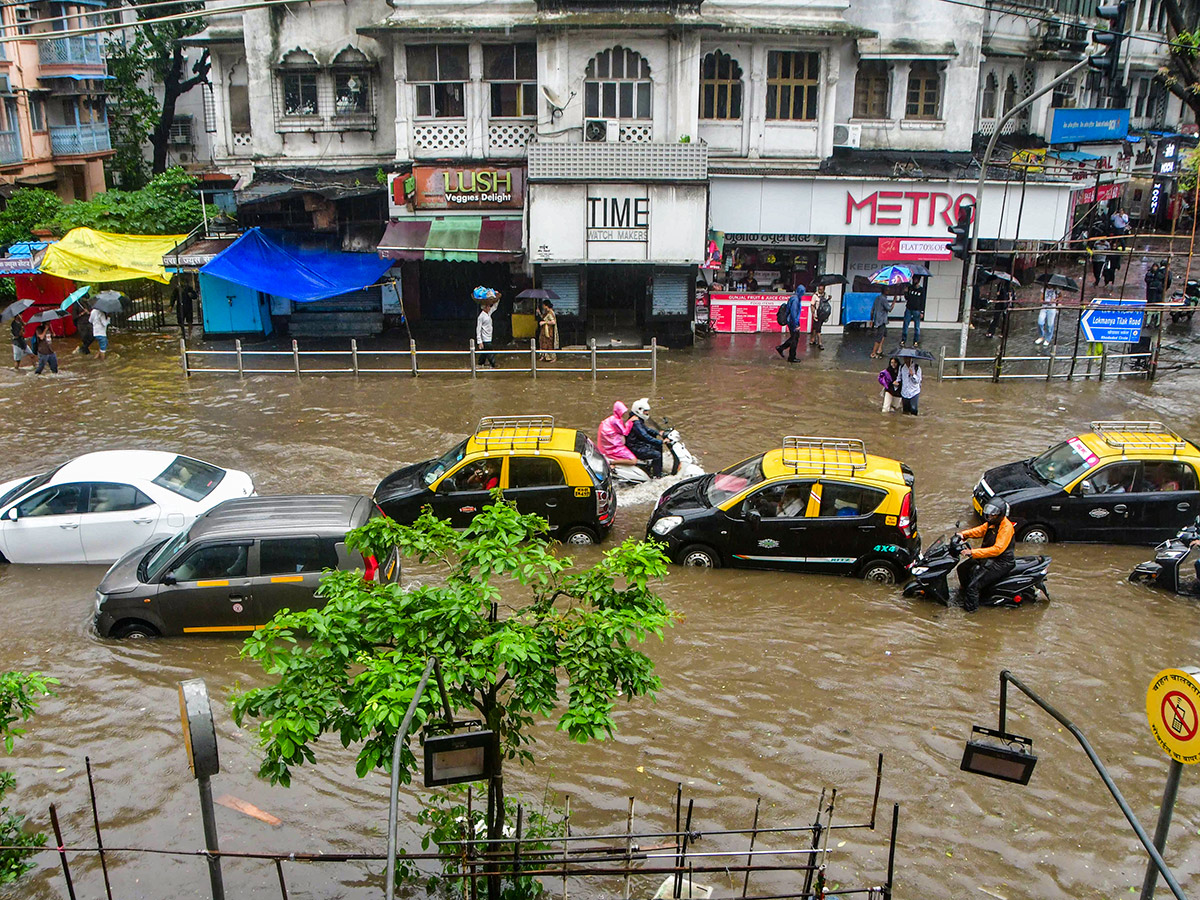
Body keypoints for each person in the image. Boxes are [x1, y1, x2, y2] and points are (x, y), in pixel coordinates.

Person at [954, 498, 1016, 613]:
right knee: (962, 568)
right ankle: (964, 593)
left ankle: (971, 612)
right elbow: (980, 531)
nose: (990, 517)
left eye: (993, 516)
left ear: (1000, 515)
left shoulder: (1006, 528)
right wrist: (963, 535)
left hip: (1000, 561)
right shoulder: (991, 524)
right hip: (987, 556)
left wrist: (972, 553)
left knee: (974, 586)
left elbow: (997, 550)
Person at [625, 398, 665, 477]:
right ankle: (657, 476)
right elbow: (645, 436)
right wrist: (661, 441)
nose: (646, 413)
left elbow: (647, 429)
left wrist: (659, 433)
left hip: (637, 444)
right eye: (645, 411)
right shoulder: (636, 422)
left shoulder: (638, 420)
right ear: (639, 410)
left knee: (657, 446)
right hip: (635, 447)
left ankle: (651, 468)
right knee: (657, 455)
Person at [597, 401, 637, 465]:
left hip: (608, 446)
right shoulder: (616, 421)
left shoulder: (612, 418)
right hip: (614, 447)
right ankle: (612, 462)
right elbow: (624, 432)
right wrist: (630, 422)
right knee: (633, 460)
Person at [774, 287, 804, 363]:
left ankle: (781, 348)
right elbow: (794, 313)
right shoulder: (796, 300)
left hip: (791, 320)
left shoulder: (794, 297)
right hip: (792, 321)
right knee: (795, 339)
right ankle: (791, 357)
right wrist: (796, 324)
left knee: (794, 337)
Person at [900, 275, 926, 347]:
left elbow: (922, 301)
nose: (914, 280)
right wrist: (905, 292)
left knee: (917, 327)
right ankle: (903, 340)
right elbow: (907, 298)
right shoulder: (910, 288)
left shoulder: (921, 290)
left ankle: (916, 341)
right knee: (905, 325)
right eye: (914, 279)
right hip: (909, 308)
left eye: (916, 279)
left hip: (917, 310)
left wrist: (922, 311)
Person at [869, 291, 894, 359]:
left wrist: (871, 320)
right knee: (879, 336)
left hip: (879, 320)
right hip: (881, 321)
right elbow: (889, 309)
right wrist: (894, 301)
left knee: (884, 334)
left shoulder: (877, 298)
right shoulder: (883, 299)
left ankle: (879, 349)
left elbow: (872, 310)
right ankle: (873, 353)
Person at [476, 297, 497, 369]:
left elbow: (495, 307)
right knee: (490, 352)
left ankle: (480, 364)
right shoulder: (481, 317)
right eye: (488, 306)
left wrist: (497, 299)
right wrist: (479, 341)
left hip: (489, 336)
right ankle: (493, 364)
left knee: (484, 353)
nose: (489, 308)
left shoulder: (489, 313)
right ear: (484, 308)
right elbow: (478, 329)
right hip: (485, 338)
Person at [809, 284, 831, 350]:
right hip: (817, 314)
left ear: (824, 289)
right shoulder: (815, 296)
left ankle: (812, 340)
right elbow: (812, 305)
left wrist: (829, 298)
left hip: (823, 314)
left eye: (821, 289)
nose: (819, 290)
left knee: (816, 327)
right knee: (818, 329)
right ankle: (820, 343)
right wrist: (813, 314)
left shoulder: (825, 295)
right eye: (819, 289)